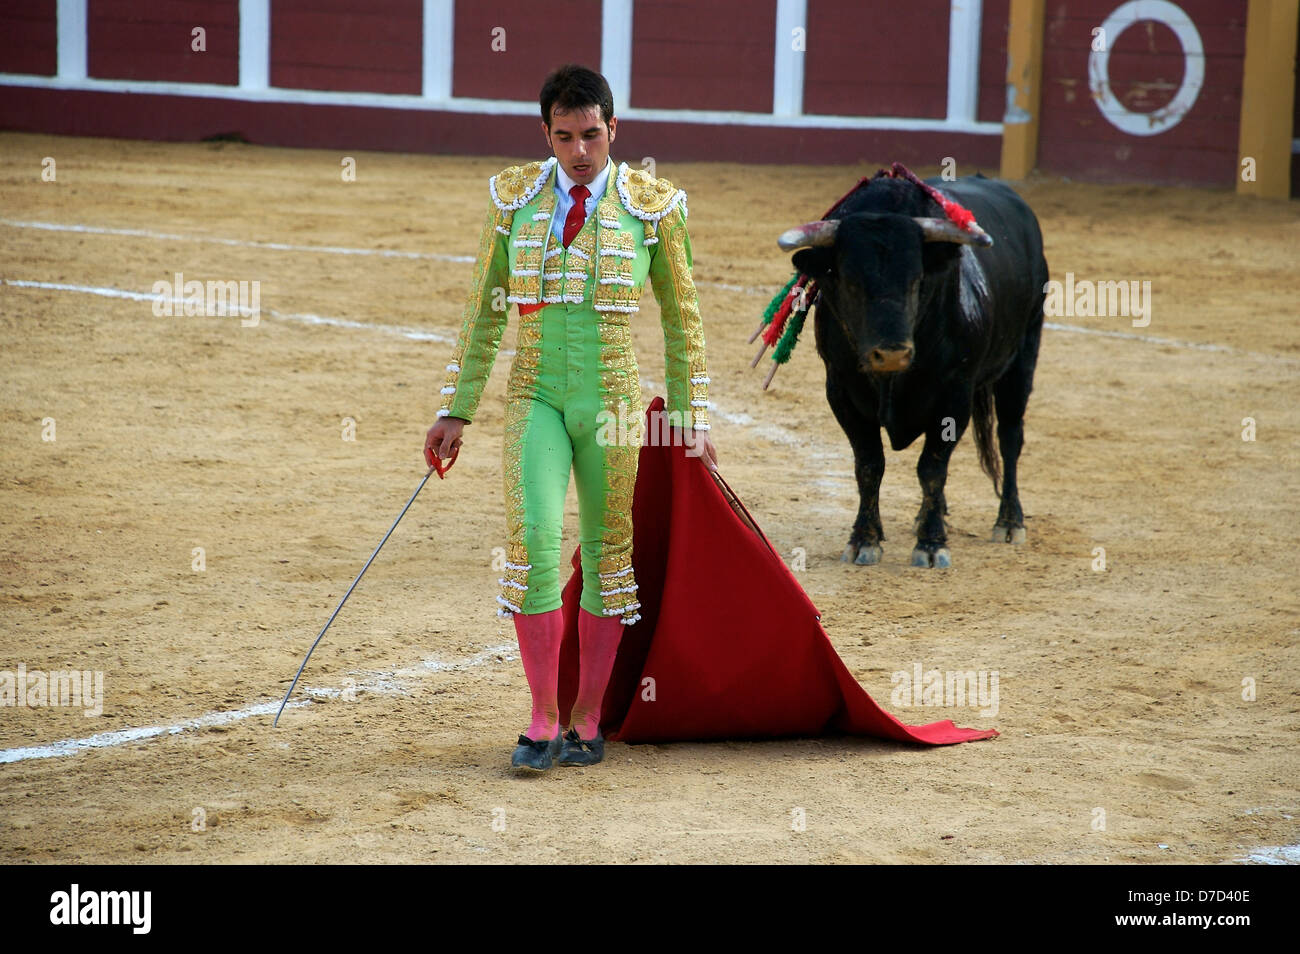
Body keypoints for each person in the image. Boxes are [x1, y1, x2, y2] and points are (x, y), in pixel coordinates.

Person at [423, 64, 717, 772]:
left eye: (592, 134)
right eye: (565, 136)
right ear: (546, 134)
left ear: (614, 129)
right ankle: (542, 716)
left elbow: (683, 323)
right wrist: (455, 408)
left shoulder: (655, 207)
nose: (580, 151)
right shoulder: (514, 201)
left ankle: (587, 717)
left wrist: (689, 416)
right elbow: (485, 311)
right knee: (532, 544)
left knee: (609, 555)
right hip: (535, 396)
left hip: (613, 402)